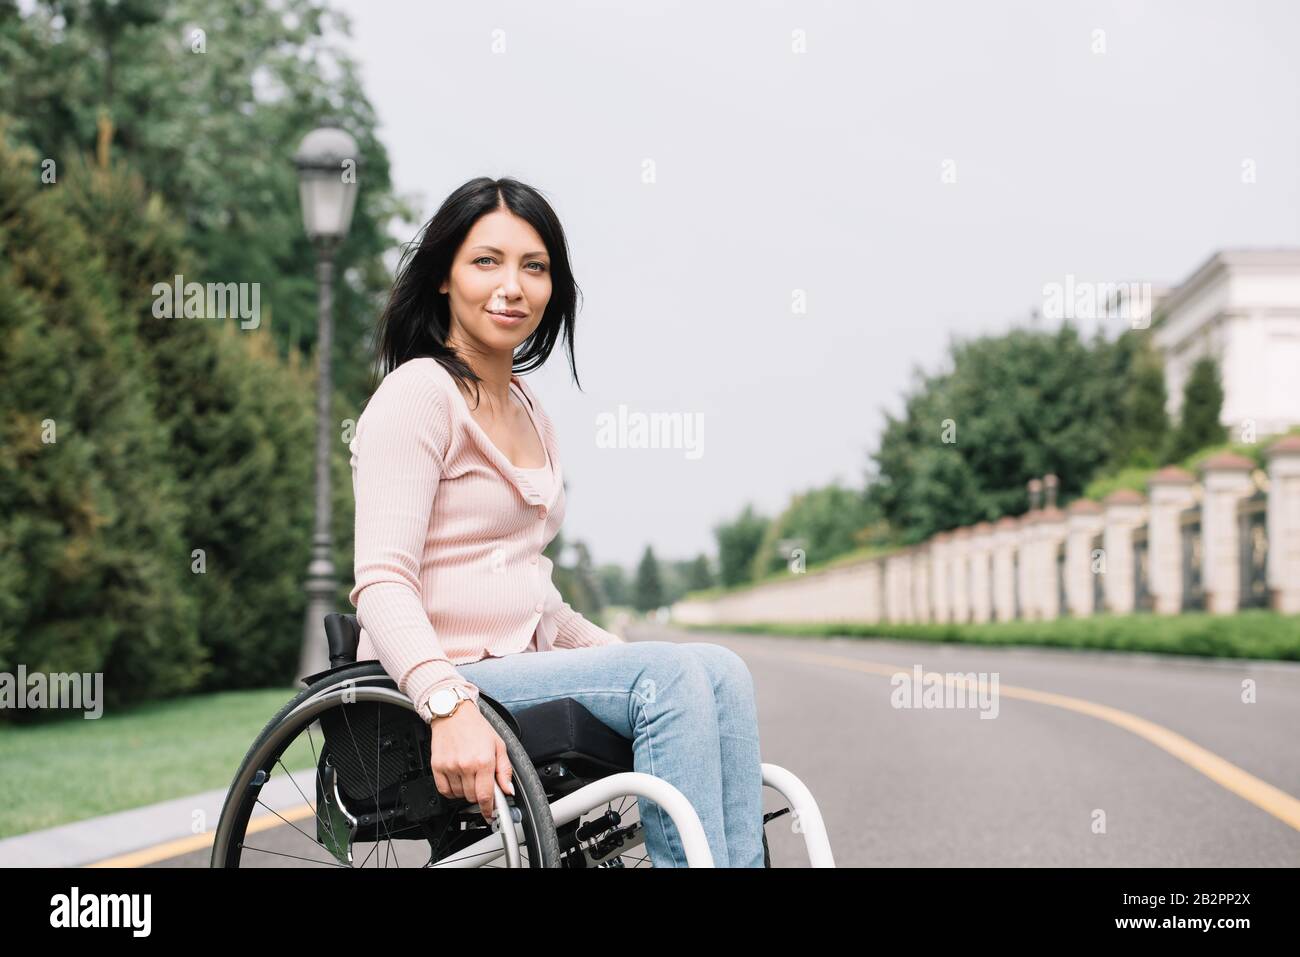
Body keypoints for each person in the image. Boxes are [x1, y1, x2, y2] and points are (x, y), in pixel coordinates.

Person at [348, 176, 765, 867]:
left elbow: (534, 598)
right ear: (445, 276)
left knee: (718, 668)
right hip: (444, 677)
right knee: (669, 675)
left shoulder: (529, 409)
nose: (512, 286)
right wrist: (446, 703)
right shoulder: (417, 394)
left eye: (534, 267)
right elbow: (382, 581)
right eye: (486, 261)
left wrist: (617, 657)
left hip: (519, 669)